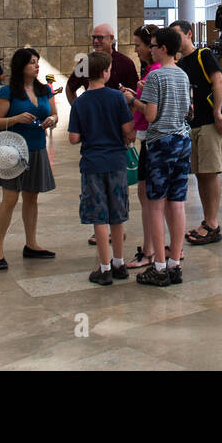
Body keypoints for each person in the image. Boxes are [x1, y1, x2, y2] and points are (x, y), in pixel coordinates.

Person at [68, 51, 136, 285]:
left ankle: (104, 267)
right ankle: (119, 263)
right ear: (106, 72)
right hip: (116, 162)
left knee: (99, 216)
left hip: (92, 163)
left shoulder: (80, 102)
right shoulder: (118, 98)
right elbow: (128, 131)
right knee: (118, 215)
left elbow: (73, 138)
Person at [0, 47, 58, 266]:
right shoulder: (8, 92)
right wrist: (16, 118)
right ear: (21, 67)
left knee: (32, 197)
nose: (36, 65)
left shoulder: (44, 90)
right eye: (32, 62)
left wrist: (53, 120)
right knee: (9, 199)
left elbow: (54, 113)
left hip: (37, 148)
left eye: (37, 62)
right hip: (13, 152)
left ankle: (31, 243)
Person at [135, 27, 192, 287]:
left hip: (161, 143)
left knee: (156, 204)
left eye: (155, 45)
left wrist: (136, 98)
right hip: (183, 140)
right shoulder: (182, 74)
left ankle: (158, 267)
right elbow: (188, 110)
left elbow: (150, 116)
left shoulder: (156, 76)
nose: (151, 48)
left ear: (164, 49)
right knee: (177, 202)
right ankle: (175, 263)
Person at [171, 20, 222, 246]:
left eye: (178, 35)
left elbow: (218, 81)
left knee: (210, 172)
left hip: (209, 123)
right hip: (192, 124)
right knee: (200, 173)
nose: (176, 41)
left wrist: (217, 112)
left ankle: (213, 224)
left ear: (188, 34)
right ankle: (207, 221)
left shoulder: (204, 55)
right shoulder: (181, 62)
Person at [122, 25, 161, 269]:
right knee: (148, 196)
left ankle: (150, 251)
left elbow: (151, 111)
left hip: (152, 138)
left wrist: (132, 99)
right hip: (149, 137)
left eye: (139, 45)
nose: (135, 50)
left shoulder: (156, 72)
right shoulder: (152, 71)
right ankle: (155, 248)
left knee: (148, 197)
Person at [66, 23, 139, 102]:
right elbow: (70, 88)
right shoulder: (85, 62)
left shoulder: (125, 63)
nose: (96, 41)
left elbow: (135, 94)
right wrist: (78, 109)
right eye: (94, 37)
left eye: (100, 37)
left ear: (111, 38)